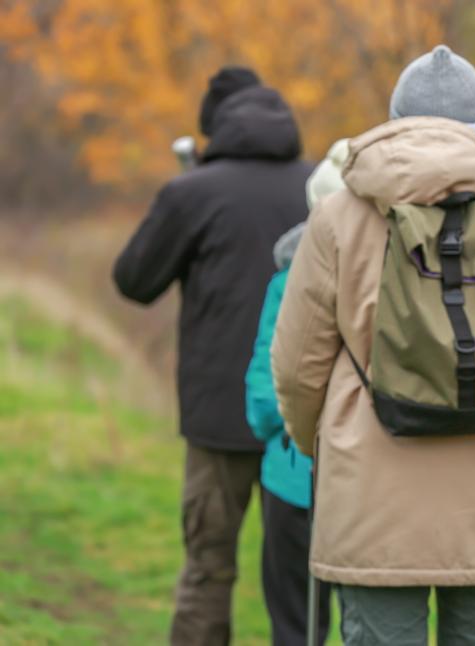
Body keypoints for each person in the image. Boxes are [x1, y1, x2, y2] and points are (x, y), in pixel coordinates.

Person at [270, 45, 475, 646]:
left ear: (394, 123)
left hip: (369, 501)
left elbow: (296, 365)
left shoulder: (338, 218)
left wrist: (326, 443)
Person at [112, 66, 312, 646]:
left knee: (207, 570)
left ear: (212, 128)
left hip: (218, 416)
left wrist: (184, 204)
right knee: (305, 588)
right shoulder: (323, 185)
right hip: (303, 423)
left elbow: (133, 280)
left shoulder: (191, 192)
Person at [244, 140, 348, 646]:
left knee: (296, 625)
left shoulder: (287, 281)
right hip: (351, 478)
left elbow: (265, 390)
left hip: (292, 477)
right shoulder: (388, 279)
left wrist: (287, 430)